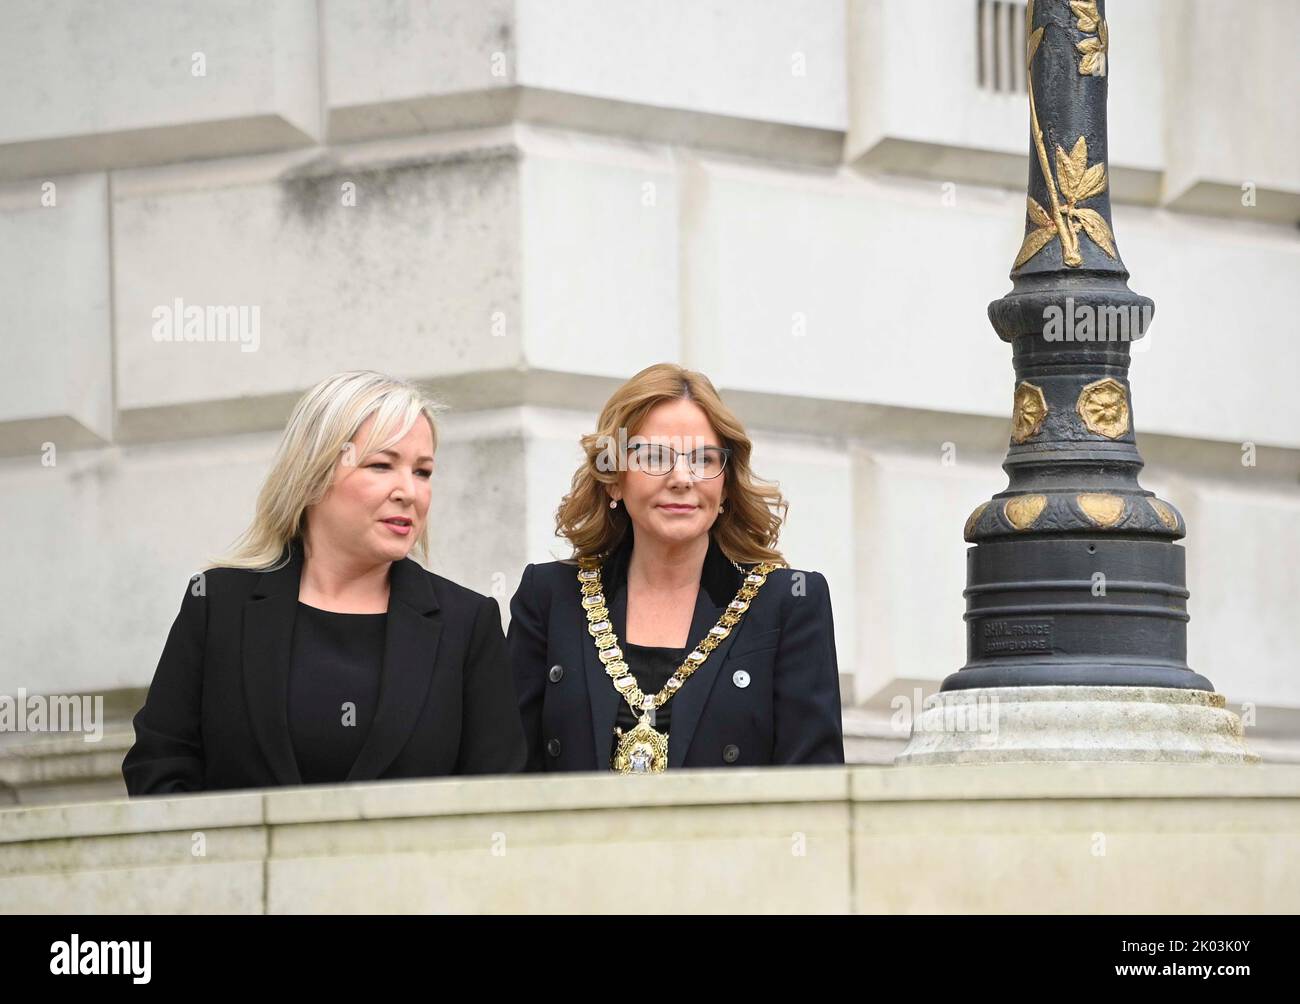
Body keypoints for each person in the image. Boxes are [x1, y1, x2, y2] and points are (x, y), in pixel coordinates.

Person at [123, 370, 526, 794]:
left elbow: (496, 799)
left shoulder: (467, 624)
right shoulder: (217, 605)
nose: (409, 490)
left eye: (423, 472)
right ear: (313, 475)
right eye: (382, 465)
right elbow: (159, 771)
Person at [508, 362, 844, 773]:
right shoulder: (549, 597)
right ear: (614, 478)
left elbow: (811, 792)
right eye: (654, 456)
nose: (682, 478)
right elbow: (510, 780)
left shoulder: (790, 602)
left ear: (725, 484)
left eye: (703, 459)